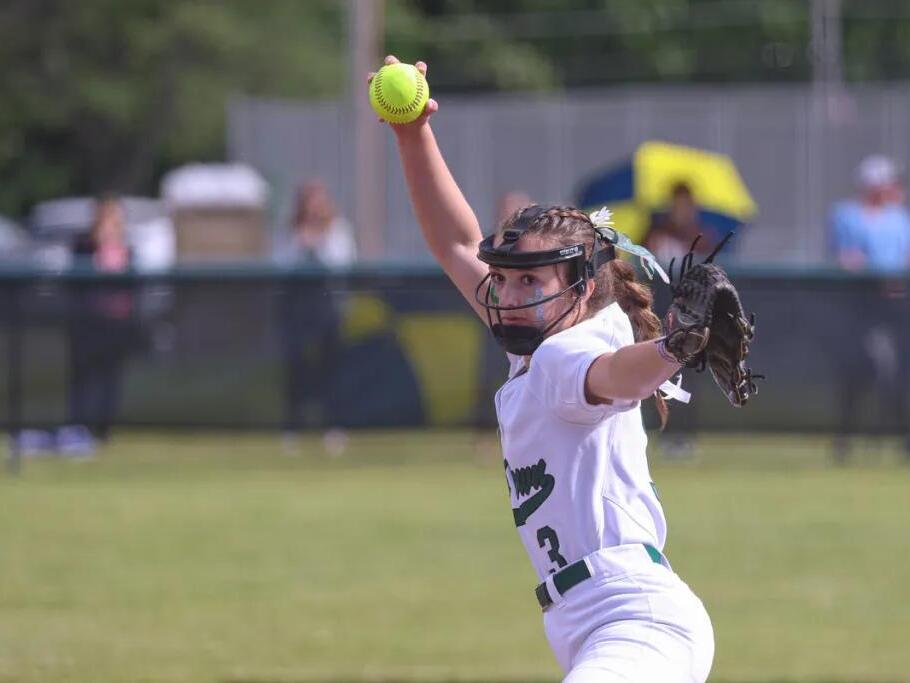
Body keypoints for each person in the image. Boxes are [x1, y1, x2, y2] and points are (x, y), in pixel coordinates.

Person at [373, 56, 713, 682]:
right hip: (594, 620)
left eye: (531, 279)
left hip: (634, 620)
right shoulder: (538, 342)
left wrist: (674, 349)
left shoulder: (564, 353)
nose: (507, 292)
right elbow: (454, 244)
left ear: (582, 288)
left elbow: (613, 375)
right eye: (502, 278)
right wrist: (413, 134)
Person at [829, 156, 910, 461]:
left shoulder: (899, 217)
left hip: (897, 305)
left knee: (899, 370)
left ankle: (903, 433)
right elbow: (847, 256)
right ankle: (845, 434)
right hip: (861, 305)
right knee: (859, 369)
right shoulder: (846, 215)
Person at [61, 195, 137, 456]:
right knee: (83, 378)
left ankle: (103, 430)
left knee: (110, 379)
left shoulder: (128, 251)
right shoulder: (82, 247)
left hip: (114, 327)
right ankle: (77, 428)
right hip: (86, 327)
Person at [644, 181, 716, 268]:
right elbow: (642, 261)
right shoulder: (656, 233)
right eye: (678, 205)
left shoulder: (703, 237)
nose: (682, 210)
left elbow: (709, 264)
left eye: (686, 205)